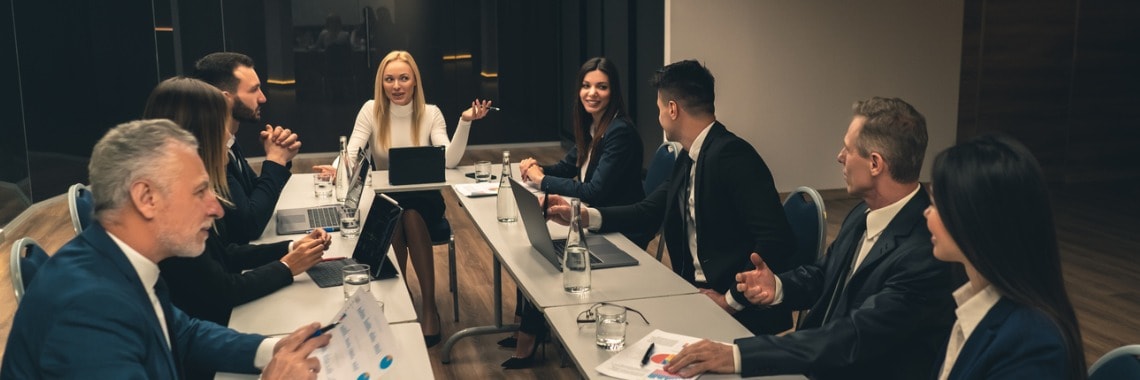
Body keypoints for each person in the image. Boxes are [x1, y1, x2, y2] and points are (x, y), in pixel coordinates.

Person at [0, 120, 329, 379]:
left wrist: (272, 349)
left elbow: (183, 334)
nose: (216, 208)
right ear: (146, 199)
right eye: (200, 192)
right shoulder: (86, 309)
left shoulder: (121, 259)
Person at [666, 97, 955, 379]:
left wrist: (738, 355)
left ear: (876, 164)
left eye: (848, 149)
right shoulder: (863, 213)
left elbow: (852, 337)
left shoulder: (925, 251)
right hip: (814, 359)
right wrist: (777, 286)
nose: (839, 156)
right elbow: (824, 274)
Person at [546, 60, 796, 336]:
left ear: (673, 109)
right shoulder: (688, 156)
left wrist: (729, 301)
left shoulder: (733, 156)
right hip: (693, 292)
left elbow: (775, 240)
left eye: (659, 109)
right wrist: (582, 216)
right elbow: (648, 211)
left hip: (737, 309)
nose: (659, 117)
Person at [317, 50, 492, 346]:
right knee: (396, 214)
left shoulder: (430, 113)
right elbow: (352, 151)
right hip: (387, 199)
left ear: (414, 82)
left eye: (403, 78)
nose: (396, 86)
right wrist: (336, 168)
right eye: (389, 79)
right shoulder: (370, 110)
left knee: (408, 214)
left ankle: (427, 307)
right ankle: (403, 296)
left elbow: (448, 160)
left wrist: (465, 121)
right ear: (381, 83)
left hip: (425, 200)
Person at [142, 77, 329, 330]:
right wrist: (287, 267)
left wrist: (292, 246)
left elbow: (223, 255)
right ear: (195, 135)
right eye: (221, 128)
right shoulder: (172, 209)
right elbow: (221, 290)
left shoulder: (179, 189)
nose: (229, 137)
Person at [503, 56, 647, 368]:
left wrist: (542, 179)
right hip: (587, 219)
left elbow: (594, 191)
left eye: (601, 86)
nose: (591, 93)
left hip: (617, 227)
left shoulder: (620, 132)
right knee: (533, 249)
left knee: (541, 258)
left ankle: (530, 333)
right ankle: (526, 326)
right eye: (586, 85)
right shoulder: (594, 125)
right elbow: (567, 168)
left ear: (614, 92)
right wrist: (536, 168)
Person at [926, 134, 1085, 379]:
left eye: (936, 203)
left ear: (974, 219)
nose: (927, 213)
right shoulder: (976, 302)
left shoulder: (1033, 344)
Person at [193, 52, 301, 244]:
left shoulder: (230, 141)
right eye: (254, 90)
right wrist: (276, 160)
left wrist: (279, 158)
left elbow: (253, 192)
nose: (263, 98)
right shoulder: (208, 152)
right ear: (225, 99)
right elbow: (250, 225)